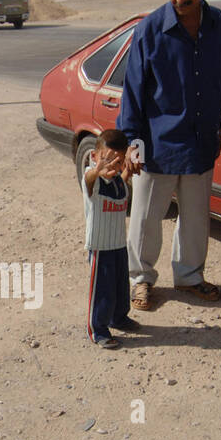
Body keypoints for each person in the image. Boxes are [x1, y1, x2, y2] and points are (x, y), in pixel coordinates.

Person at [118, 0, 221, 312]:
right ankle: (140, 279)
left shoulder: (219, 26)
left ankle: (189, 276)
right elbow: (133, 91)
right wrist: (132, 143)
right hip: (157, 144)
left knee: (196, 217)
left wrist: (218, 126)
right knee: (146, 219)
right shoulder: (149, 30)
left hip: (200, 143)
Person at [80, 129, 137, 349]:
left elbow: (120, 183)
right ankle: (98, 330)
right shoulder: (92, 179)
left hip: (119, 245)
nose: (112, 165)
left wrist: (129, 171)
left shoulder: (118, 181)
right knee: (102, 290)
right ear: (95, 156)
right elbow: (88, 178)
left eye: (118, 160)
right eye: (107, 158)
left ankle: (119, 318)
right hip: (101, 246)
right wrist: (97, 170)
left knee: (120, 287)